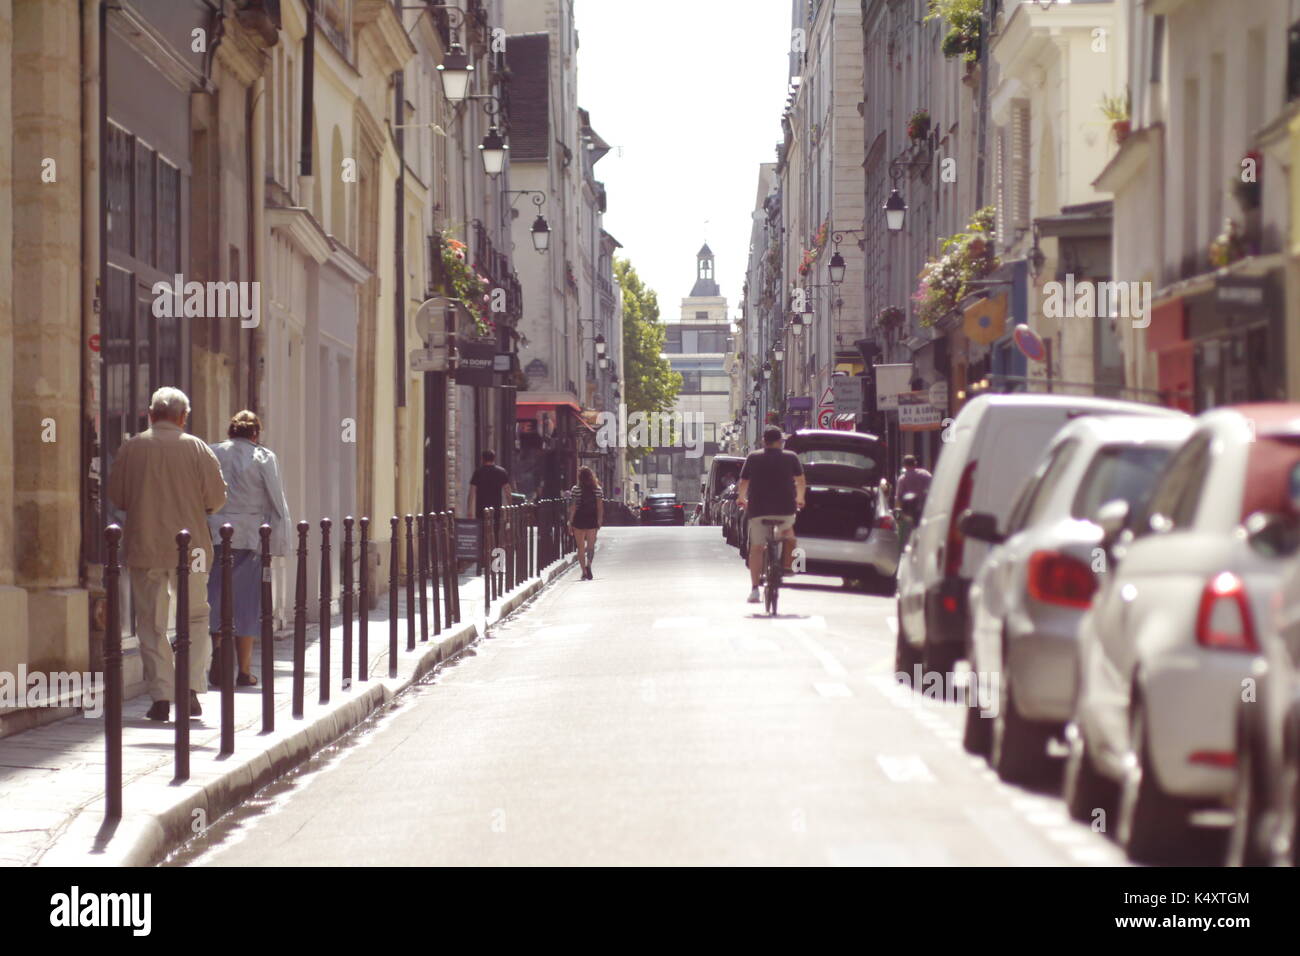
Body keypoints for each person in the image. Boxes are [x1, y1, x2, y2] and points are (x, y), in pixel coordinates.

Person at [106, 387, 227, 722]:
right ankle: (188, 689)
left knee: (151, 622)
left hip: (146, 545)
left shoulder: (132, 447)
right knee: (196, 617)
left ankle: (161, 695)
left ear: (150, 413)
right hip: (194, 551)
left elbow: (117, 496)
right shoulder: (198, 448)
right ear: (183, 416)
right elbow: (217, 499)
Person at [206, 411, 292, 688]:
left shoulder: (213, 452)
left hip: (215, 534)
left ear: (231, 431)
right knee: (246, 602)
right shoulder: (264, 457)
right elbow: (277, 500)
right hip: (250, 538)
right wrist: (281, 541)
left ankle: (216, 652)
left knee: (215, 596)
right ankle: (244, 670)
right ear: (255, 434)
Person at [737, 425, 806, 604]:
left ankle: (754, 590)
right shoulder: (791, 457)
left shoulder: (753, 457)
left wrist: (741, 499)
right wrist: (800, 499)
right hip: (785, 509)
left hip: (758, 510)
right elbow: (800, 481)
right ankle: (791, 564)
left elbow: (744, 482)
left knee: (757, 548)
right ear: (780, 442)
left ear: (764, 441)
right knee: (788, 533)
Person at [567, 466, 604, 580]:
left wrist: (570, 521)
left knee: (581, 547)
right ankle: (589, 565)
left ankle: (583, 571)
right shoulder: (598, 489)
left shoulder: (575, 489)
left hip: (579, 519)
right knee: (591, 546)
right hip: (592, 519)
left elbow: (573, 507)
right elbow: (600, 507)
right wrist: (599, 520)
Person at [468, 450, 512, 521]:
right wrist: (510, 506)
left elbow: (471, 491)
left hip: (481, 508)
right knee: (496, 528)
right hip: (496, 507)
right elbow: (507, 491)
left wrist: (469, 509)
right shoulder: (501, 472)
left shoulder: (478, 472)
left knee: (482, 529)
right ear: (494, 458)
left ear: (482, 459)